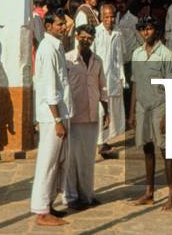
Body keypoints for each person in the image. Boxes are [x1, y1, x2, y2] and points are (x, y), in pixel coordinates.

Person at [30, 10, 73, 227]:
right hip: (51, 118)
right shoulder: (47, 50)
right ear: (48, 27)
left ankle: (49, 203)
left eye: (63, 24)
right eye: (58, 25)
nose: (63, 28)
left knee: (58, 163)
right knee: (47, 164)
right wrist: (57, 121)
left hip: (61, 114)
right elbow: (49, 89)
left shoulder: (56, 47)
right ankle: (41, 210)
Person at [130, 18, 172, 211]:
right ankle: (149, 192)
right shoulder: (137, 53)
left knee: (167, 151)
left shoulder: (166, 54)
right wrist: (132, 112)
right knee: (147, 149)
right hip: (142, 107)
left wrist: (168, 115)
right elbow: (134, 82)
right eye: (142, 29)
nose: (145, 32)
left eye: (149, 28)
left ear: (155, 30)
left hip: (160, 107)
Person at [63, 25, 108, 211]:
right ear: (76, 37)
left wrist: (106, 110)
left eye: (89, 38)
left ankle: (87, 195)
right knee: (71, 159)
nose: (85, 41)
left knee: (88, 159)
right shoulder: (67, 60)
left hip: (91, 116)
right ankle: (71, 197)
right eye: (82, 37)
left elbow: (103, 87)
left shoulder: (97, 60)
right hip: (73, 116)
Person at [93, 4, 125, 159]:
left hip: (112, 78)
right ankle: (99, 142)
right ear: (101, 17)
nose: (109, 20)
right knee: (100, 111)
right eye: (106, 17)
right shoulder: (96, 33)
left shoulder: (118, 34)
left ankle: (104, 140)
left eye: (112, 16)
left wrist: (121, 77)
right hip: (98, 78)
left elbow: (119, 58)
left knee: (110, 111)